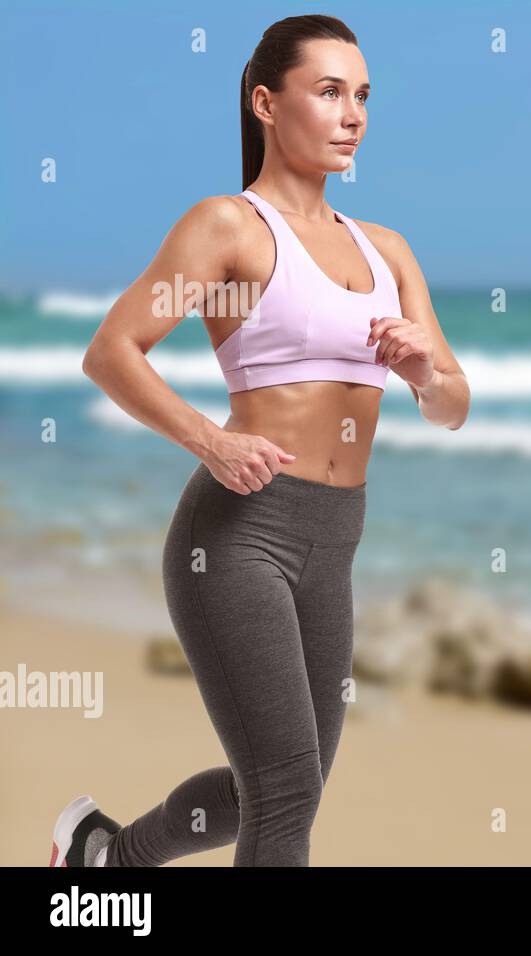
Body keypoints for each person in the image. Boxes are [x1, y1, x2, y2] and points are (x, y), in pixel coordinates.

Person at [56, 14, 469, 867]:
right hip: (239, 535)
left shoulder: (387, 249)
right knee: (284, 795)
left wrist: (427, 369)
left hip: (335, 539)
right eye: (328, 92)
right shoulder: (229, 227)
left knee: (286, 787)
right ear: (265, 104)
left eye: (361, 96)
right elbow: (112, 352)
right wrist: (209, 439)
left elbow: (453, 406)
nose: (351, 113)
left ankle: (109, 857)